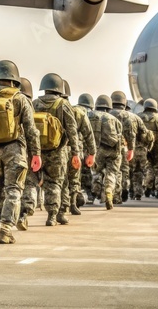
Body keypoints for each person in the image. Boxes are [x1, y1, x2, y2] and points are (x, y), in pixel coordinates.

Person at [0, 60, 41, 244]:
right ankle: (6, 226)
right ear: (14, 80)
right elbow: (30, 129)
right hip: (14, 149)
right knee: (13, 190)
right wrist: (36, 154)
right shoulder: (20, 98)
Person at [32, 74, 81, 226]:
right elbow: (72, 130)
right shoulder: (63, 104)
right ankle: (54, 214)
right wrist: (75, 153)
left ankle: (28, 210)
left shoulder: (35, 103)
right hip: (58, 151)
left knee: (38, 182)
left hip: (38, 151)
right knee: (56, 183)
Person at [111, 91, 152, 202]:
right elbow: (145, 133)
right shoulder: (134, 117)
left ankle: (113, 193)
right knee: (126, 170)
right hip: (128, 149)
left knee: (111, 171)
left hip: (108, 147)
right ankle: (125, 189)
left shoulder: (107, 114)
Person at [87, 95, 124, 210]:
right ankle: (109, 191)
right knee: (112, 173)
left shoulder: (89, 116)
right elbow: (120, 136)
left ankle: (94, 194)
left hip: (97, 150)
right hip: (113, 150)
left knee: (96, 172)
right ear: (109, 107)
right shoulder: (114, 120)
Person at [64, 82, 96, 215]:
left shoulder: (65, 108)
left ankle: (61, 206)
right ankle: (73, 203)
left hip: (58, 149)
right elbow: (89, 134)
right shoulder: (80, 112)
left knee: (60, 179)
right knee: (74, 179)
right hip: (76, 151)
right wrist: (92, 152)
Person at [18, 77, 43, 228]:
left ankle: (3, 220)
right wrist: (37, 153)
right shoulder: (27, 103)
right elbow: (32, 132)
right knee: (29, 183)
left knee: (8, 187)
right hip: (26, 151)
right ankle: (24, 213)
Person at [75, 93, 97, 206]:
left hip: (70, 147)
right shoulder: (88, 113)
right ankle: (88, 195)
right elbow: (89, 134)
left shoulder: (72, 109)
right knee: (86, 172)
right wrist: (92, 152)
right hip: (82, 147)